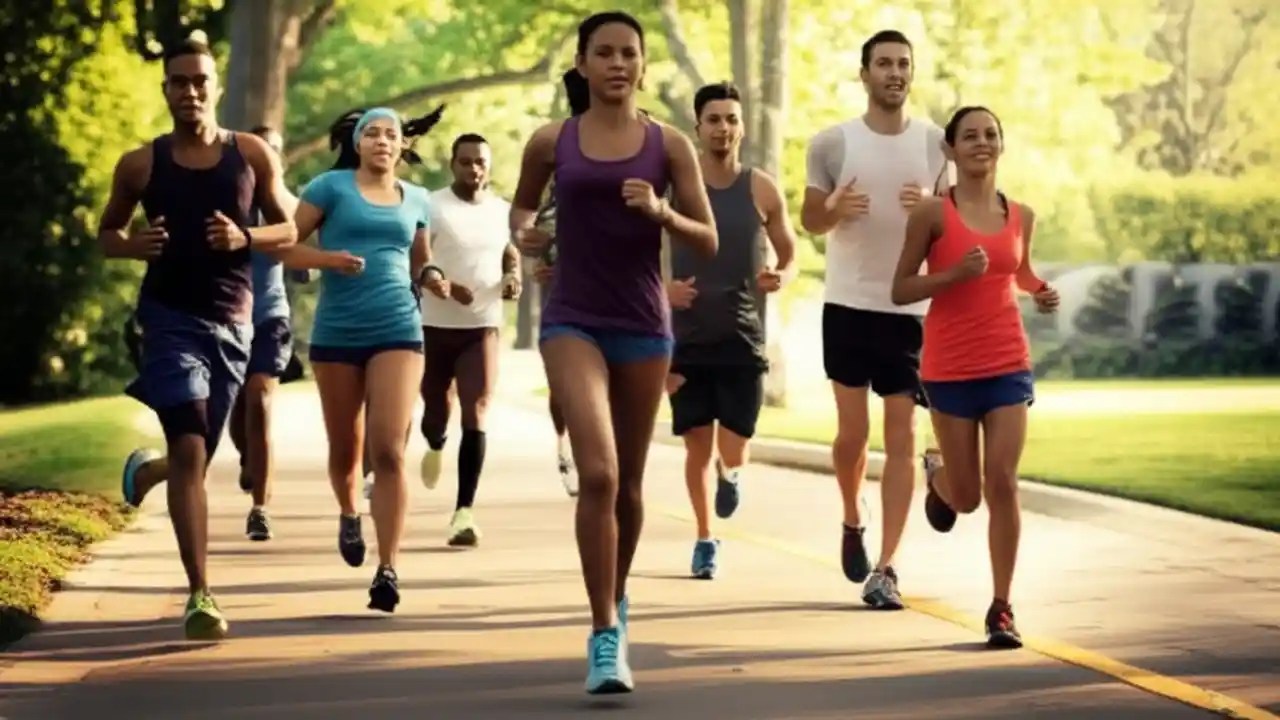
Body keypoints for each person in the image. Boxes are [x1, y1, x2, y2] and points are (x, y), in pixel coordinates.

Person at [510, 11, 717, 695]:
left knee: (629, 485)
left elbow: (707, 238)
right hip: (572, 318)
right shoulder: (552, 140)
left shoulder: (669, 146)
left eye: (629, 53)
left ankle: (617, 598)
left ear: (642, 66)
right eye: (604, 53)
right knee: (597, 474)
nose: (617, 64)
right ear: (582, 63)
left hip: (643, 326)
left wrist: (662, 214)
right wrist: (527, 239)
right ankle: (604, 634)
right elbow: (519, 214)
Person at [107, 38, 298, 640]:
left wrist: (247, 237)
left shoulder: (251, 154)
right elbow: (106, 232)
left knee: (199, 455)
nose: (190, 91)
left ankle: (146, 473)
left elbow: (290, 226)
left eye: (200, 81)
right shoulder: (141, 164)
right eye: (178, 82)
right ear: (165, 89)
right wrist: (130, 244)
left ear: (215, 87)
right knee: (193, 453)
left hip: (234, 325)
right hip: (167, 319)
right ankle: (200, 594)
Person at [890, 105, 1059, 648]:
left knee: (1003, 482)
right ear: (951, 149)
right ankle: (938, 475)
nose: (981, 143)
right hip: (949, 368)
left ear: (1001, 145)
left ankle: (1002, 608)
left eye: (990, 134)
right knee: (967, 498)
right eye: (970, 136)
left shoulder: (1022, 214)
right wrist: (954, 274)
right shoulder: (933, 214)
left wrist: (1040, 289)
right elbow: (901, 289)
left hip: (1008, 361)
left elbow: (1020, 268)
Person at [800, 29, 951, 610]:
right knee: (851, 437)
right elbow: (811, 218)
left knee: (902, 436)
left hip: (909, 309)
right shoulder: (833, 144)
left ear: (911, 74)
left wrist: (932, 210)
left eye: (903, 64)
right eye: (883, 63)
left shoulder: (938, 144)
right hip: (847, 304)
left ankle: (887, 568)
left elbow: (956, 222)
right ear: (863, 74)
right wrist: (835, 206)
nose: (894, 72)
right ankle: (849, 517)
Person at [276, 105, 443, 614]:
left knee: (389, 450)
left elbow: (421, 260)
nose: (382, 141)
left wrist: (434, 277)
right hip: (338, 333)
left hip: (399, 327)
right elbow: (284, 247)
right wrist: (330, 260)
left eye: (390, 135)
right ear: (357, 142)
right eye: (372, 133)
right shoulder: (329, 188)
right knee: (345, 446)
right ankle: (350, 513)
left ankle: (387, 567)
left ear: (402, 145)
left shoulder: (416, 199)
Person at [666, 81, 796, 579]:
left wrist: (781, 274)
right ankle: (704, 538)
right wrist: (663, 295)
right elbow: (637, 253)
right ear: (698, 128)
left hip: (743, 334)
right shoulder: (676, 187)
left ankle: (732, 472)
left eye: (731, 119)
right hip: (687, 336)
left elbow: (788, 251)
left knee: (735, 442)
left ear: (741, 127)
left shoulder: (759, 187)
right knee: (696, 443)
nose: (723, 127)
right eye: (714, 119)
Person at [416, 132, 521, 547]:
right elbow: (420, 256)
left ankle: (463, 512)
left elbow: (509, 252)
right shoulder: (432, 205)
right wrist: (441, 281)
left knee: (476, 409)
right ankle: (435, 441)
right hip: (433, 326)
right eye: (465, 162)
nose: (474, 169)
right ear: (452, 165)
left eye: (480, 162)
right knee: (435, 413)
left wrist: (513, 277)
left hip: (482, 326)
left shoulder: (502, 210)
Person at [226, 124, 298, 542]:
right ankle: (248, 457)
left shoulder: (286, 202)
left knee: (261, 399)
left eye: (274, 150)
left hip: (270, 316)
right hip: (228, 318)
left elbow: (299, 241)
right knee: (238, 409)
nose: (266, 155)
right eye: (260, 149)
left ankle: (260, 510)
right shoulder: (226, 197)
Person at [530, 67, 593, 499]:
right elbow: (533, 215)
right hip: (563, 280)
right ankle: (566, 441)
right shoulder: (555, 143)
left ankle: (600, 456)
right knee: (564, 382)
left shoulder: (641, 135)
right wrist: (535, 253)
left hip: (622, 281)